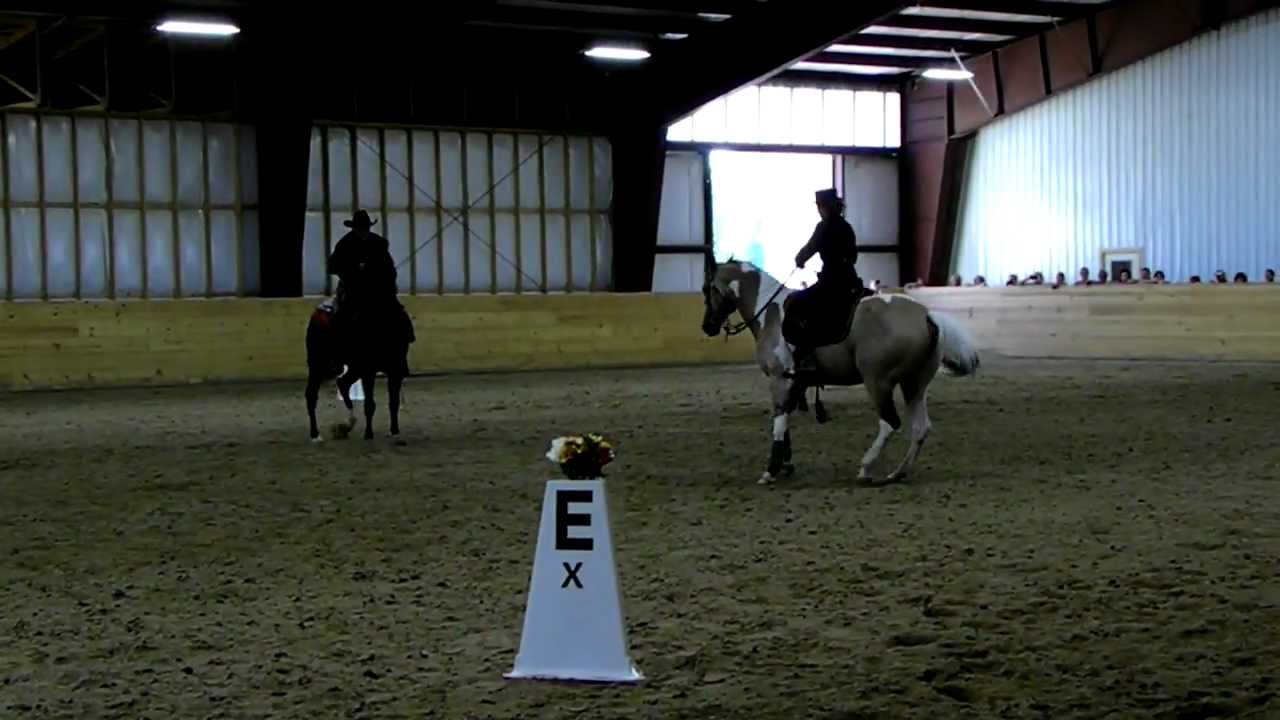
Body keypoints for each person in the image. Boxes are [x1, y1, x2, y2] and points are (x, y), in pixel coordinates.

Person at [783, 188, 862, 377]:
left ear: (826, 207)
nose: (819, 210)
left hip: (831, 283)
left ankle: (807, 356)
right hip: (850, 282)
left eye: (820, 207)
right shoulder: (846, 226)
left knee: (795, 303)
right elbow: (853, 256)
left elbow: (811, 247)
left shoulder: (824, 227)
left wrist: (800, 259)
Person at [327, 209, 412, 348]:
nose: (363, 231)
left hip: (378, 288)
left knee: (397, 312)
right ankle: (338, 347)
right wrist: (352, 272)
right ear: (354, 228)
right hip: (353, 289)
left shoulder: (379, 243)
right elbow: (332, 267)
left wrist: (388, 283)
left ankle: (403, 340)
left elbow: (389, 268)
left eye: (365, 227)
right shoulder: (344, 244)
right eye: (360, 228)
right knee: (342, 316)